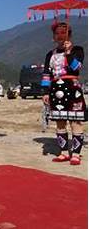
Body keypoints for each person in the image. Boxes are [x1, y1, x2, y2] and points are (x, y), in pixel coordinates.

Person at [41, 21, 86, 165]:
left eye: (63, 33)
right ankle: (64, 151)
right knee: (60, 122)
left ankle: (76, 154)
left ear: (69, 35)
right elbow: (47, 74)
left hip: (72, 88)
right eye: (57, 33)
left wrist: (68, 53)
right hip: (56, 89)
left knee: (75, 121)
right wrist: (46, 92)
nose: (60, 36)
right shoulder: (50, 54)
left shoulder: (77, 50)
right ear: (54, 37)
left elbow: (76, 67)